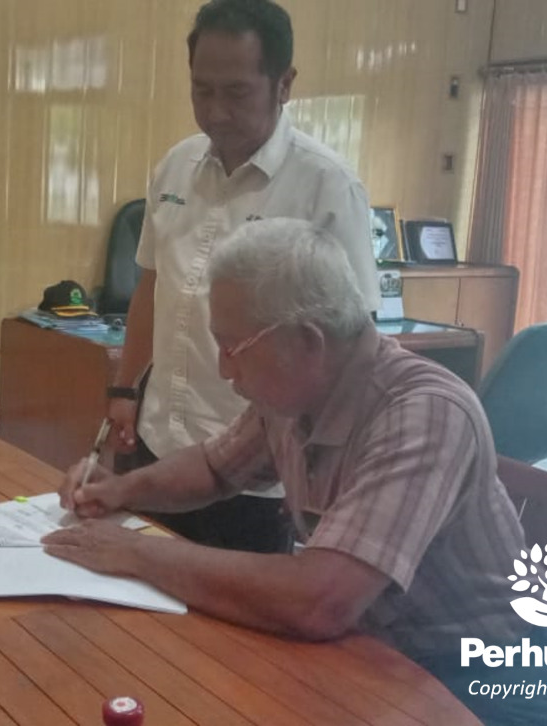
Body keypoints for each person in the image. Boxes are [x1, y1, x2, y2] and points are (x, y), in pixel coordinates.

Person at [45, 219, 547, 726]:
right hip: (375, 648)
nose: (223, 369)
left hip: (488, 680)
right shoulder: (293, 393)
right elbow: (213, 469)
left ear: (308, 341)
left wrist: (142, 552)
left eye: (233, 348)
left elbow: (319, 601)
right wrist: (120, 490)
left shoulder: (423, 412)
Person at [107, 0, 380, 553]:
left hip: (258, 472)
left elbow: (355, 341)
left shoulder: (326, 186)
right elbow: (154, 287)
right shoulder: (175, 166)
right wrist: (123, 390)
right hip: (161, 440)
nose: (216, 112)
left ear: (284, 84)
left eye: (236, 93)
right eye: (201, 91)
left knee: (231, 631)